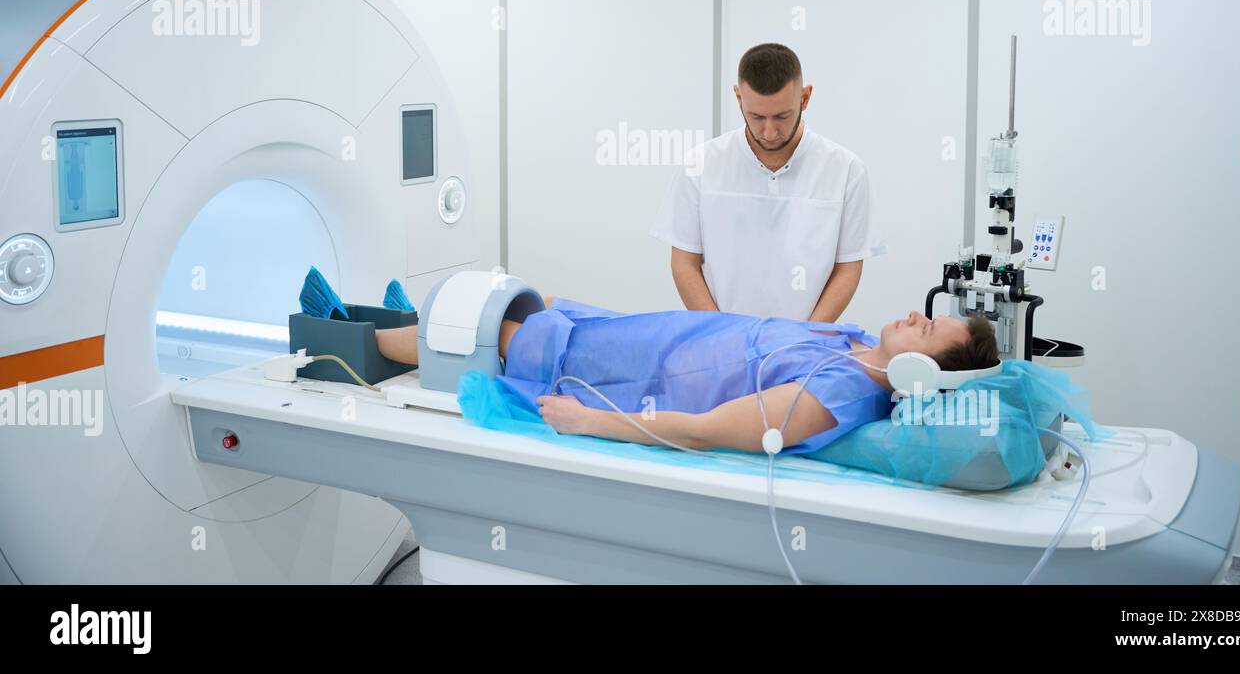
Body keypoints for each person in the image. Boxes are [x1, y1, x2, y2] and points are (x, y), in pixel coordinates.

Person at [372, 292, 998, 455]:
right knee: (535, 309)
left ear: (921, 369)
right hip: (647, 335)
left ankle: (355, 335)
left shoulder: (835, 395)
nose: (917, 315)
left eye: (927, 331)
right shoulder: (854, 340)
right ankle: (381, 314)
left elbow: (703, 431)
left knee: (500, 336)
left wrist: (591, 421)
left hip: (633, 380)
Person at [651, 42, 869, 322]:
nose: (769, 132)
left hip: (804, 344)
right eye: (756, 117)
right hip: (722, 343)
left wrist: (803, 339)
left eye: (781, 116)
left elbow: (848, 266)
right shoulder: (700, 165)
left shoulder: (847, 170)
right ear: (738, 97)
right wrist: (722, 337)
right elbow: (684, 263)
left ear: (805, 98)